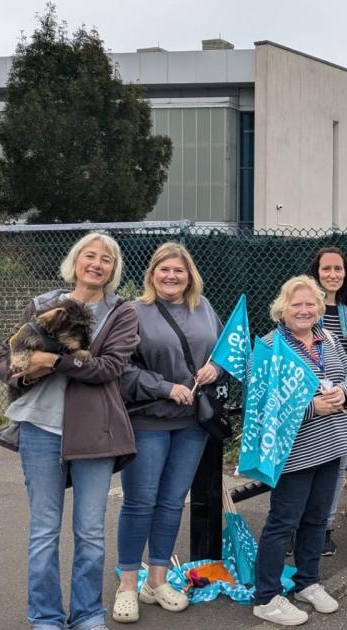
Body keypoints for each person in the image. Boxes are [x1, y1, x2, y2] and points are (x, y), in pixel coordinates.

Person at [0, 231, 139, 630]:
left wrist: (52, 361)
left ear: (113, 270)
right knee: (44, 529)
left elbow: (110, 368)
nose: (96, 264)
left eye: (105, 260)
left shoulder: (121, 312)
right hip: (40, 428)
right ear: (75, 262)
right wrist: (26, 372)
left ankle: (88, 615)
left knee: (90, 531)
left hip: (96, 431)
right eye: (89, 256)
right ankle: (45, 617)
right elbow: (5, 360)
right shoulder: (42, 306)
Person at [113, 243, 222, 623]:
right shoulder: (132, 312)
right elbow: (121, 368)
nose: (171, 276)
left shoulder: (205, 308)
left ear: (189, 275)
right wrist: (164, 387)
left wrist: (217, 370)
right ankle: (128, 583)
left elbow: (225, 351)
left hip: (193, 423)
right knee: (140, 501)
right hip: (148, 420)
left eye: (179, 271)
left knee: (173, 501)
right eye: (164, 270)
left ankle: (156, 580)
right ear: (152, 274)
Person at [252, 276, 347, 626]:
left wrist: (344, 393)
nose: (303, 310)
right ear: (282, 309)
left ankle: (307, 582)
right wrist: (313, 407)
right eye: (296, 305)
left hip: (332, 445)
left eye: (310, 304)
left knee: (317, 519)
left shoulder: (327, 338)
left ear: (318, 308)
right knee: (283, 522)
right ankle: (266, 597)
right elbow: (264, 404)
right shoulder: (269, 347)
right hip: (293, 452)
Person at [309, 247, 347, 556]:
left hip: (344, 401)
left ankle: (324, 528)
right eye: (326, 269)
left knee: (336, 465)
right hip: (311, 404)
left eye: (338, 269)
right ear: (316, 272)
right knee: (304, 468)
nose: (332, 275)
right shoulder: (305, 307)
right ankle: (296, 528)